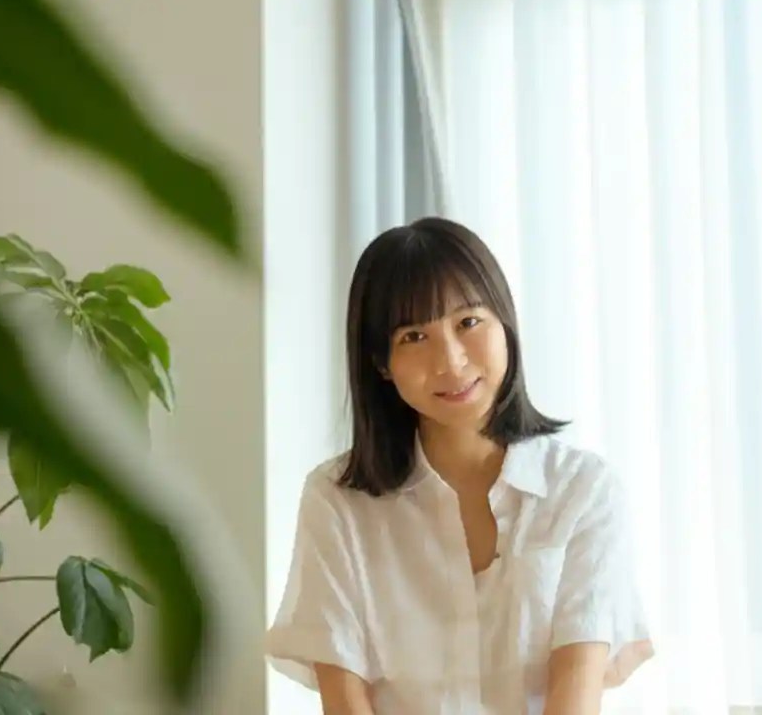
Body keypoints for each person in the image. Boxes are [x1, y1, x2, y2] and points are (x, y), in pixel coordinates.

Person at [266, 217, 653, 714]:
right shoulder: (337, 499)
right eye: (412, 337)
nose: (450, 361)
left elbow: (575, 694)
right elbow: (345, 700)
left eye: (468, 322)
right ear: (380, 363)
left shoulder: (583, 491)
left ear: (505, 324)